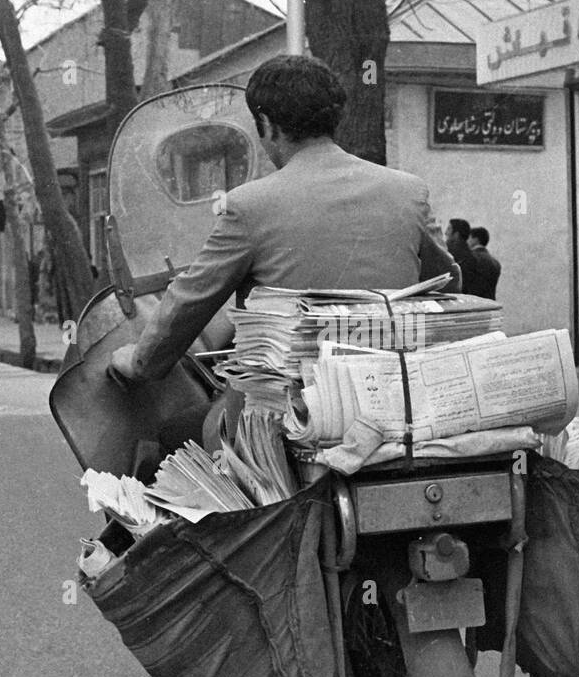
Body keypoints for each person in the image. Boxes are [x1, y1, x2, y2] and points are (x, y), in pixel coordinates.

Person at [109, 54, 460, 416]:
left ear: (266, 124)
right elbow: (448, 286)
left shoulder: (248, 205)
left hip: (290, 411)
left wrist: (140, 363)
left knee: (174, 434)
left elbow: (190, 300)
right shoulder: (408, 191)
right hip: (393, 401)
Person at [466, 226, 501, 300]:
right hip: (490, 303)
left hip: (474, 302)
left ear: (475, 239)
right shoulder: (496, 262)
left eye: (469, 238)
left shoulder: (471, 257)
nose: (466, 241)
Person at [446, 218, 478, 295]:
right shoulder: (472, 256)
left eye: (449, 229)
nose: (445, 232)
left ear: (456, 234)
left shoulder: (446, 252)